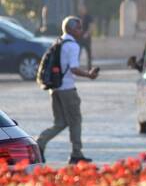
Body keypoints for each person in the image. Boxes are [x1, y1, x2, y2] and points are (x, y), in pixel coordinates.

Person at [36, 16, 100, 164]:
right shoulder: (73, 46)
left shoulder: (59, 42)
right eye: (78, 28)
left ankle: (40, 142)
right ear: (70, 29)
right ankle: (76, 153)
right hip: (67, 89)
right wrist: (89, 75)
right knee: (75, 120)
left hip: (55, 89)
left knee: (60, 122)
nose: (81, 30)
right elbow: (74, 69)